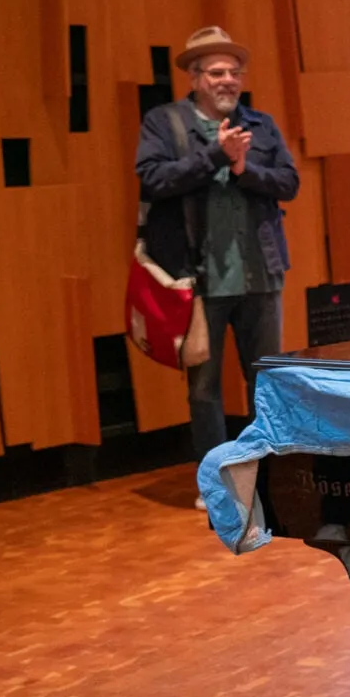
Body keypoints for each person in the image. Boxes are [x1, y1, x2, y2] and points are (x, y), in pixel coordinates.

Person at [135, 26, 299, 469]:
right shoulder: (164, 123)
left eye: (234, 72)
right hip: (198, 279)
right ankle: (217, 478)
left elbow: (289, 183)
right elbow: (153, 179)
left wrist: (245, 169)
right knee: (204, 388)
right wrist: (215, 157)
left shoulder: (261, 125)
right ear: (194, 77)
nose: (227, 80)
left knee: (265, 379)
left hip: (260, 274)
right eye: (215, 72)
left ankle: (271, 469)